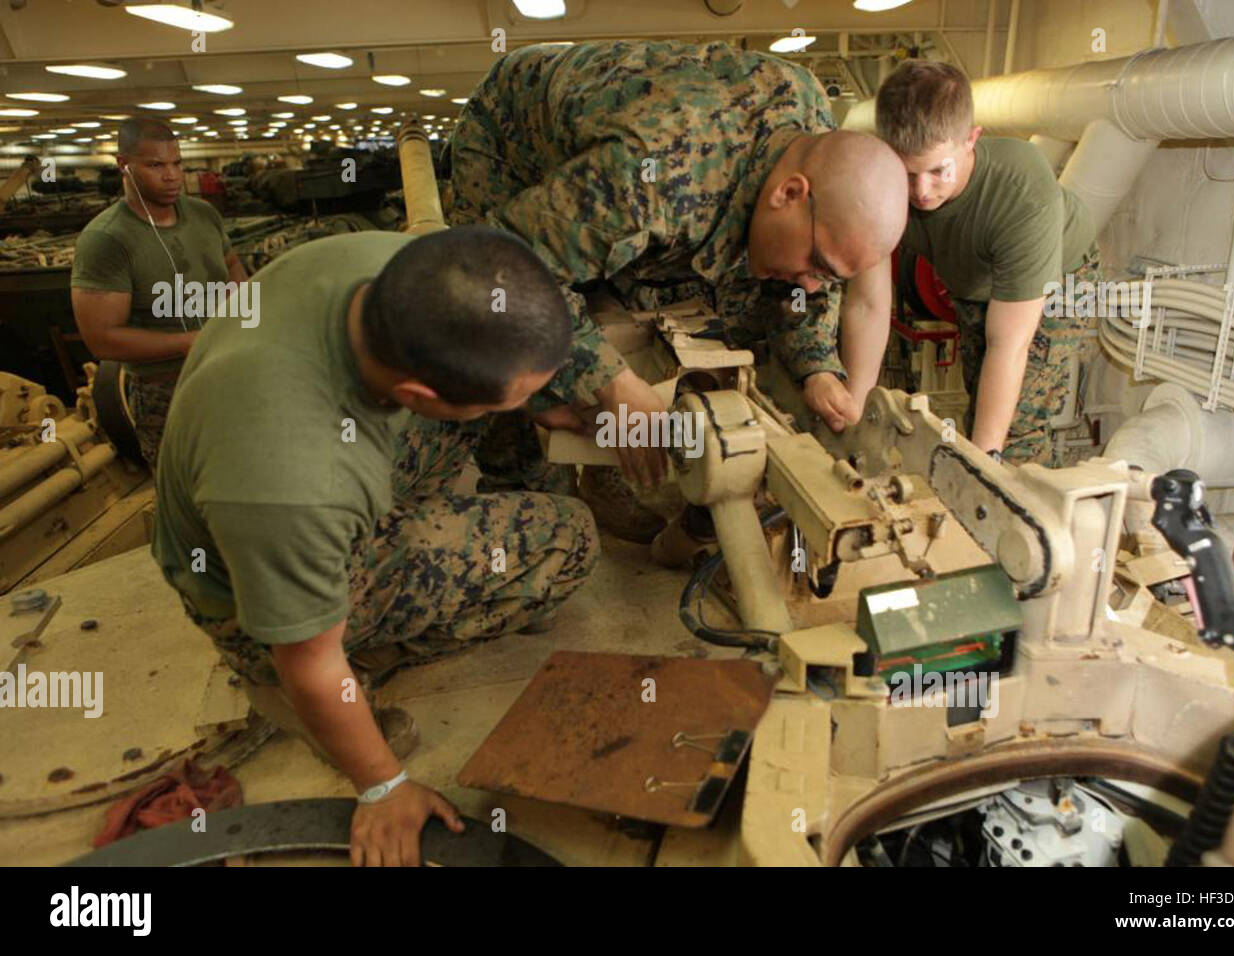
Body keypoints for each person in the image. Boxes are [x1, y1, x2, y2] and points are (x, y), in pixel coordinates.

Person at [151, 226, 599, 866]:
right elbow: (310, 660)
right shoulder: (295, 481)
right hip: (240, 582)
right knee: (569, 539)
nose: (535, 404)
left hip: (273, 475)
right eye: (523, 394)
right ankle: (281, 675)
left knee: (479, 429)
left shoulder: (391, 265)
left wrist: (533, 402)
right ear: (419, 398)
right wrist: (383, 787)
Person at [434, 39, 908, 525]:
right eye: (817, 262)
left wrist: (816, 366)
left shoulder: (812, 132)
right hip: (511, 142)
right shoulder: (651, 177)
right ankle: (521, 496)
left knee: (678, 306)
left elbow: (806, 283)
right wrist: (613, 384)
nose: (811, 286)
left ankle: (618, 462)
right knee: (496, 317)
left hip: (636, 178)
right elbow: (502, 265)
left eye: (829, 276)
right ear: (789, 193)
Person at [848, 59, 1100, 465]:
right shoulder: (879, 183)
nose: (921, 192)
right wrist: (855, 420)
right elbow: (868, 304)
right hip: (973, 279)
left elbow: (1010, 345)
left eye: (936, 171)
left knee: (1013, 428)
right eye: (906, 173)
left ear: (971, 139)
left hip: (1059, 281)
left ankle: (1010, 503)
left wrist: (984, 466)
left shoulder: (1022, 191)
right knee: (978, 396)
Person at [71, 116, 248, 470]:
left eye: (177, 163)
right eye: (155, 165)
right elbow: (102, 340)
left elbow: (231, 268)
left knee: (249, 475)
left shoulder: (203, 215)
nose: (172, 176)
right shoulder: (107, 239)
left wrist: (246, 319)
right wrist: (193, 341)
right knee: (185, 491)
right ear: (124, 165)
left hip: (230, 372)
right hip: (166, 390)